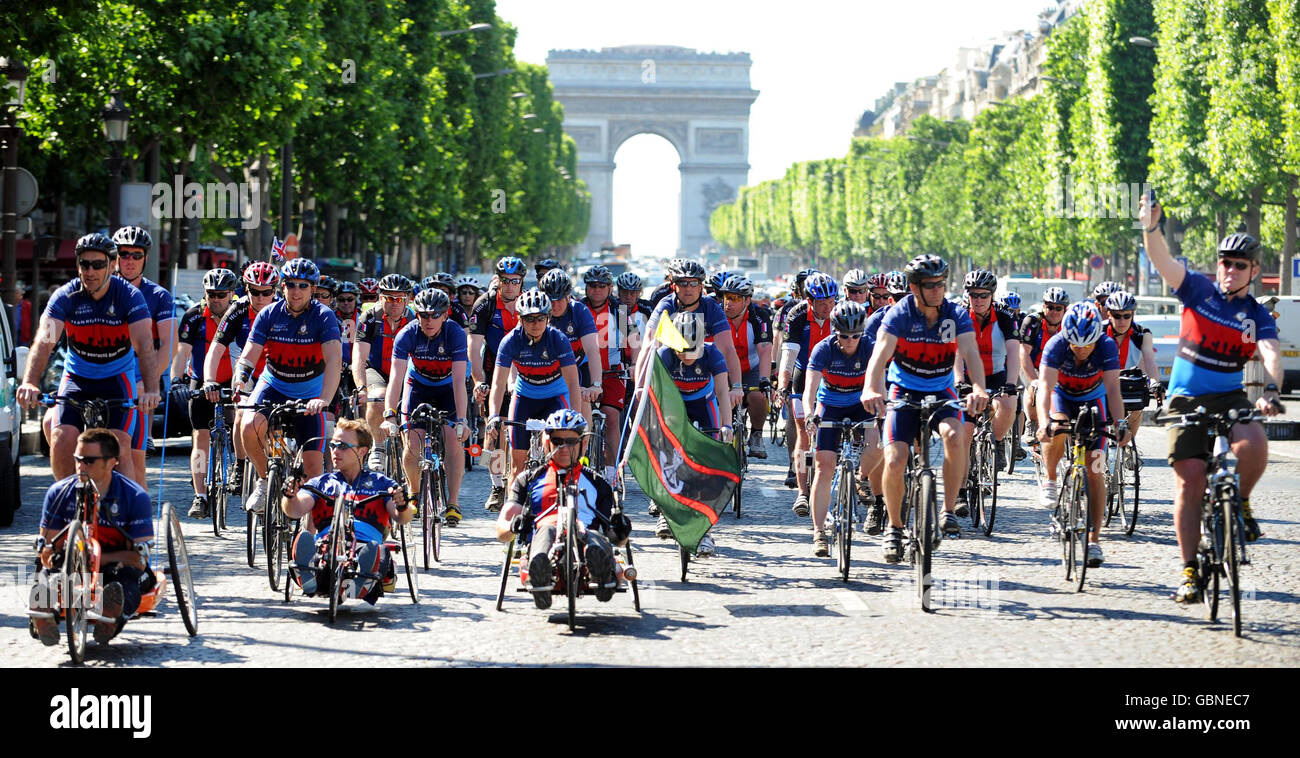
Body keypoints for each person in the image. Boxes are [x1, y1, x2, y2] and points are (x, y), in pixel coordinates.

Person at [1139, 194, 1283, 602]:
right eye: (1226, 262)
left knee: (1254, 443)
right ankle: (1188, 572)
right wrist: (1151, 228)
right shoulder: (1199, 290)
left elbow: (1270, 353)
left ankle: (1242, 504)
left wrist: (1271, 389)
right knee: (1190, 481)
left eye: (1240, 265)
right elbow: (1163, 260)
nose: (1231, 270)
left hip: (1229, 394)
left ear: (1254, 271)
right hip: (1185, 399)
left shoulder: (1255, 314)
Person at [861, 254, 987, 562]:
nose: (937, 290)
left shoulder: (955, 314)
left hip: (941, 389)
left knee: (955, 436)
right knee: (895, 457)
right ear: (915, 288)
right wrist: (871, 388)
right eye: (930, 285)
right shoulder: (899, 314)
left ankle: (947, 510)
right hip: (904, 390)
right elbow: (880, 355)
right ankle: (894, 527)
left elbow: (970, 351)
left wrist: (980, 388)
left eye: (941, 284)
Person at [17, 234, 160, 482]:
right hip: (77, 378)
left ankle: (121, 515)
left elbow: (145, 346)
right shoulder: (65, 297)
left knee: (119, 447)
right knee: (61, 439)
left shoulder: (128, 296)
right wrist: (30, 382)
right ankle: (68, 505)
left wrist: (151, 390)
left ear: (112, 266)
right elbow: (44, 342)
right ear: (77, 266)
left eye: (98, 264)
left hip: (116, 379)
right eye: (85, 264)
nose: (90, 271)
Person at [226, 258, 342, 515]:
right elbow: (248, 355)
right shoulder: (269, 314)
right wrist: (240, 378)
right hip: (274, 384)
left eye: (303, 285)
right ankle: (264, 479)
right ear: (283, 287)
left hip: (310, 391)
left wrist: (324, 398)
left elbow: (334, 360)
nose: (296, 290)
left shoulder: (323, 316)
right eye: (290, 285)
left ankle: (310, 533)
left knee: (314, 468)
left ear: (313, 289)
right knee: (248, 424)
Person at [496, 409, 632, 608]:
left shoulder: (598, 483)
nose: (563, 448)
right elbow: (501, 530)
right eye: (558, 441)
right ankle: (539, 572)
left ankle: (602, 572)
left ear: (583, 443)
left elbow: (616, 540)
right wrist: (513, 527)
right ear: (547, 442)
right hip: (545, 536)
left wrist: (621, 532)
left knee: (593, 538)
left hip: (586, 535)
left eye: (570, 441)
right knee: (547, 531)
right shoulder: (528, 480)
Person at [29, 428, 153, 646]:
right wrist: (63, 557)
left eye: (89, 461)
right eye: (77, 459)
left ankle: (111, 615)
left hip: (115, 569)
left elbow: (138, 559)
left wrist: (96, 560)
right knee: (47, 574)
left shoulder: (135, 497)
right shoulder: (58, 493)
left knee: (126, 582)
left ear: (112, 462)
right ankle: (43, 613)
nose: (80, 467)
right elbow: (46, 550)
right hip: (71, 566)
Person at [1036, 301, 1130, 568]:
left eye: (1087, 345)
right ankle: (1051, 477)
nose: (1081, 351)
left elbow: (1113, 390)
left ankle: (1094, 540)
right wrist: (1044, 422)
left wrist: (1120, 422)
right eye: (1075, 346)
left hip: (1094, 399)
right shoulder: (1055, 345)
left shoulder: (1107, 345)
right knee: (1057, 426)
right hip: (1062, 396)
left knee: (1096, 471)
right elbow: (1045, 388)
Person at [280, 419, 410, 606]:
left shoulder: (382, 483)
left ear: (362, 451)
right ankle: (308, 576)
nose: (335, 451)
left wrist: (402, 505)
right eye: (332, 445)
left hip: (364, 547)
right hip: (325, 547)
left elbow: (400, 517)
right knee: (305, 540)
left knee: (375, 551)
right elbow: (296, 510)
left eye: (342, 446)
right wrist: (290, 496)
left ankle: (361, 582)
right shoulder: (321, 483)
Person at [383, 289, 470, 525]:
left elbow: (460, 381)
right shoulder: (407, 334)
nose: (429, 321)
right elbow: (396, 378)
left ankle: (453, 502)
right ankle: (414, 494)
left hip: (447, 386)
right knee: (412, 443)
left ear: (445, 315)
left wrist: (461, 420)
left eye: (435, 315)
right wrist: (389, 414)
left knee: (453, 440)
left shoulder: (455, 334)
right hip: (418, 384)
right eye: (423, 315)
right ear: (417, 315)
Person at [486, 288, 580, 502]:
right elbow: (498, 383)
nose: (535, 323)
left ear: (548, 318)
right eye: (529, 319)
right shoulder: (510, 341)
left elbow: (573, 382)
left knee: (561, 450)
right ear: (520, 319)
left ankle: (566, 499)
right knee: (518, 460)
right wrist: (493, 415)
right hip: (525, 396)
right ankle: (512, 513)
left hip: (555, 395)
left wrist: (574, 416)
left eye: (540, 318)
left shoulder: (558, 339)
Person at [652, 310, 733, 554]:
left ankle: (705, 532)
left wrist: (727, 426)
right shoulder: (663, 355)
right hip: (674, 402)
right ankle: (666, 512)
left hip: (703, 401)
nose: (687, 356)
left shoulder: (712, 353)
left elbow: (722, 393)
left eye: (692, 349)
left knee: (709, 463)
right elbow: (655, 396)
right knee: (664, 453)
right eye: (682, 349)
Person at [804, 300, 879, 557]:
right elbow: (810, 388)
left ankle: (862, 477)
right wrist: (810, 414)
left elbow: (882, 379)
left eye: (855, 336)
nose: (849, 341)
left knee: (876, 440)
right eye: (844, 336)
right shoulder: (822, 349)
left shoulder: (870, 347)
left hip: (861, 400)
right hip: (830, 402)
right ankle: (818, 532)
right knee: (824, 466)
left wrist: (885, 408)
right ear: (835, 332)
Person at [105, 226, 172, 488]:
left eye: (136, 254)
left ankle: (137, 523)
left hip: (139, 377)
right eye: (124, 254)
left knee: (133, 460)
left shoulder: (159, 296)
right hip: (105, 373)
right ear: (115, 256)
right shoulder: (102, 289)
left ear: (145, 258)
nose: (130, 260)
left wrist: (149, 384)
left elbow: (167, 347)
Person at [205, 261, 279, 495]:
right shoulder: (237, 310)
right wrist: (209, 380)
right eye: (254, 292)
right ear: (246, 290)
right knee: (240, 414)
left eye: (266, 292)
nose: (260, 298)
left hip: (275, 372)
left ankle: (280, 463)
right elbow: (216, 349)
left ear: (275, 291)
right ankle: (239, 464)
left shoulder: (284, 308)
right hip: (246, 371)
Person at [173, 268, 239, 518]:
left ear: (231, 294)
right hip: (201, 380)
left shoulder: (239, 314)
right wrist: (176, 381)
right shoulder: (194, 316)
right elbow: (182, 353)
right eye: (211, 294)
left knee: (242, 426)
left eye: (222, 294)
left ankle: (239, 470)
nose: (216, 299)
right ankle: (200, 495)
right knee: (200, 437)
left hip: (233, 380)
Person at [954, 269, 1021, 495]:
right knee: (964, 433)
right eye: (974, 295)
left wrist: (1011, 383)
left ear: (992, 295)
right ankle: (961, 490)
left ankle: (997, 441)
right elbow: (955, 352)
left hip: (996, 373)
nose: (979, 300)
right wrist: (959, 380)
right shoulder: (960, 316)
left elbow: (1014, 352)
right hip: (968, 377)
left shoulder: (1004, 317)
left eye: (983, 295)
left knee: (1009, 405)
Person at [779, 272, 838, 516]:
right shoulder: (798, 315)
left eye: (831, 301)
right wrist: (783, 385)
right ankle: (803, 492)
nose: (827, 307)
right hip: (803, 375)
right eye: (822, 302)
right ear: (810, 300)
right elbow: (788, 356)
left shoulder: (840, 314)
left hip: (834, 375)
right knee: (803, 430)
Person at [472, 257, 527, 511]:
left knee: (514, 429)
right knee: (494, 429)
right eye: (505, 281)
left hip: (524, 366)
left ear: (521, 282)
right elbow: (474, 349)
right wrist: (478, 382)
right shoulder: (484, 305)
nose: (509, 286)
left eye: (515, 282)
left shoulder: (529, 303)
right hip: (493, 367)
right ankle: (495, 485)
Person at [353, 274, 415, 472]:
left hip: (406, 370)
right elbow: (359, 358)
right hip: (377, 369)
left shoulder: (415, 318)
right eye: (389, 298)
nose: (394, 303)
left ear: (408, 298)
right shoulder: (370, 317)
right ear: (380, 297)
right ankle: (377, 447)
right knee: (377, 397)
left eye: (399, 299)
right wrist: (361, 388)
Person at [581, 265, 631, 479]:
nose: (597, 290)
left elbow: (635, 343)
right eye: (592, 286)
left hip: (613, 371)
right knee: (581, 419)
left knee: (612, 418)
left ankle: (611, 473)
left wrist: (635, 364)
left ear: (610, 288)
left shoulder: (619, 310)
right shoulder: (578, 308)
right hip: (583, 370)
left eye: (602, 286)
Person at [718, 274, 772, 459]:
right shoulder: (716, 315)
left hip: (750, 367)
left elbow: (765, 350)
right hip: (722, 368)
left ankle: (756, 435)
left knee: (758, 396)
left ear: (747, 300)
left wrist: (765, 380)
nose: (728, 304)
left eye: (734, 299)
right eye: (726, 298)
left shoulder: (760, 316)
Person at [539, 269, 603, 418]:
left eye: (559, 299)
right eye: (550, 299)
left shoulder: (580, 311)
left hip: (578, 366)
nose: (554, 305)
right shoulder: (536, 313)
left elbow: (593, 350)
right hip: (548, 367)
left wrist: (596, 385)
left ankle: (584, 439)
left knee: (582, 399)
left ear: (568, 297)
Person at [1103, 290, 1161, 438]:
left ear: (1132, 315)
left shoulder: (1142, 333)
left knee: (1137, 408)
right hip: (1103, 380)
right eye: (1117, 316)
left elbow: (1149, 361)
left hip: (1129, 380)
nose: (1122, 321)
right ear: (1109, 314)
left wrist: (1154, 382)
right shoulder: (1099, 331)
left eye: (1126, 316)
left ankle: (1128, 446)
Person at [1019, 286, 1070, 444]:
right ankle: (1032, 422)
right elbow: (1024, 353)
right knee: (1034, 390)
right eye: (1050, 307)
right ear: (1043, 307)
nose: (1054, 311)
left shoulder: (1069, 325)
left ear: (1065, 309)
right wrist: (1034, 380)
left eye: (1058, 308)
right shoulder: (1033, 322)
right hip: (1033, 365)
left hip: (1058, 367)